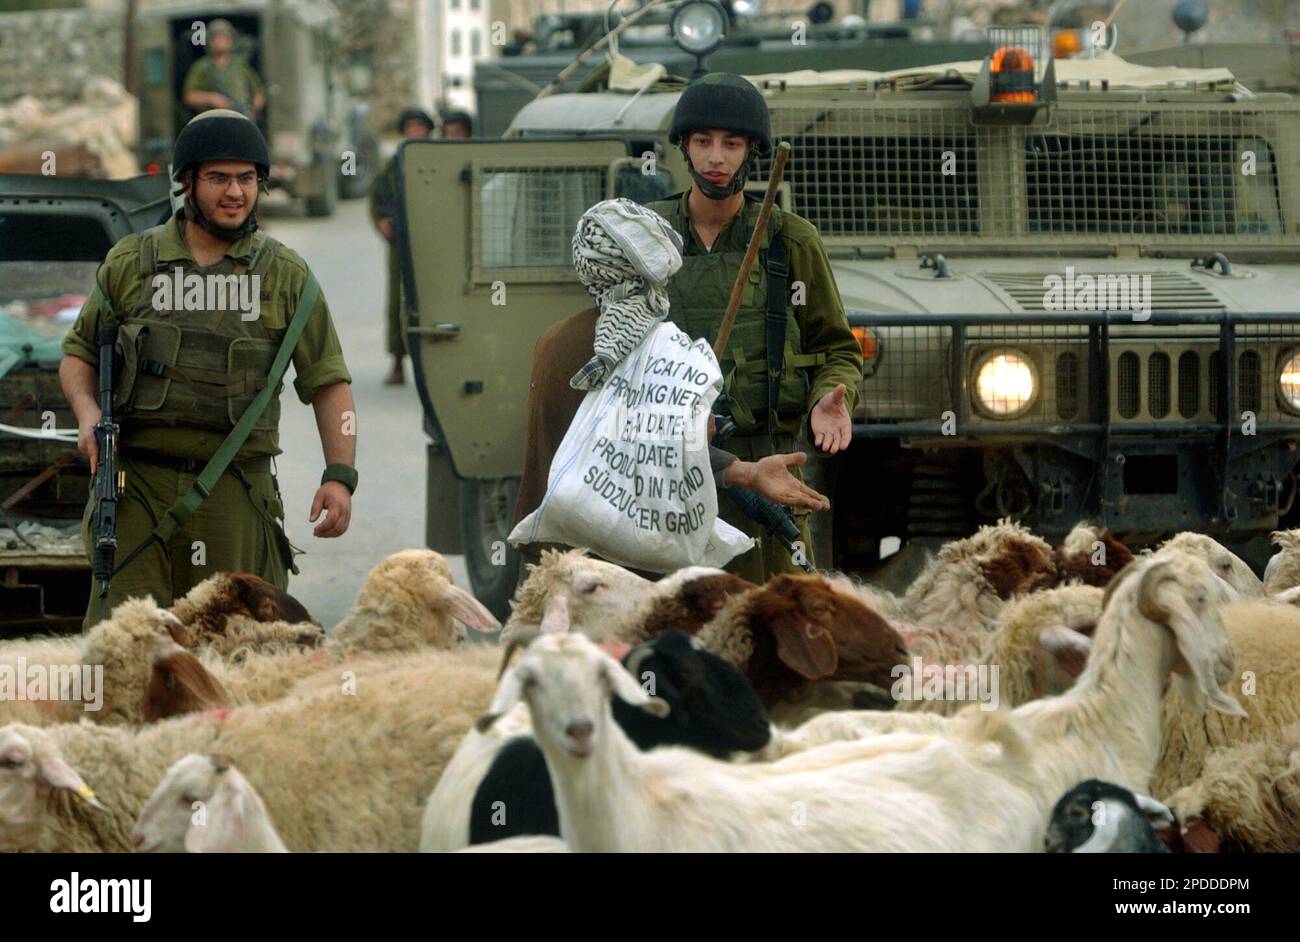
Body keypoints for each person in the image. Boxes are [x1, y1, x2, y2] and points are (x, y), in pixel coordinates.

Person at [59, 110, 356, 628]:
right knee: (125, 649)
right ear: (187, 183)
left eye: (247, 178)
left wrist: (340, 475)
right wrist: (87, 417)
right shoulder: (131, 263)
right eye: (218, 178)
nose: (235, 192)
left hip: (234, 492)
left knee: (240, 648)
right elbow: (80, 354)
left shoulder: (286, 277)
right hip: (136, 489)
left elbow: (327, 381)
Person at [513, 199, 830, 569]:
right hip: (616, 569)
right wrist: (746, 472)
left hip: (550, 553)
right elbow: (660, 449)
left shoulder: (553, 339)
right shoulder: (649, 348)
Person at [645, 72, 863, 583]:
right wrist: (673, 410)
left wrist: (832, 397)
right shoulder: (645, 238)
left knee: (781, 621)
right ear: (685, 148)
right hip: (665, 473)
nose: (716, 158)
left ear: (751, 152)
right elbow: (616, 360)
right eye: (702, 142)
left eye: (732, 143)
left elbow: (837, 347)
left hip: (771, 471)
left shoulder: (790, 242)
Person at [370, 107, 435, 385]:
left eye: (420, 126)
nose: (415, 132)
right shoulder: (394, 164)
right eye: (410, 127)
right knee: (397, 302)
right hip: (401, 240)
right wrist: (382, 222)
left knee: (434, 298)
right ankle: (398, 361)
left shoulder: (438, 160)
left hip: (434, 241)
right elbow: (377, 198)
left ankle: (434, 365)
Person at [182, 19, 266, 121]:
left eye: (223, 38)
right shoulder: (202, 67)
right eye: (215, 38)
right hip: (214, 120)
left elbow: (259, 92)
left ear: (231, 40)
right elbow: (189, 97)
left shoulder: (240, 66)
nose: (219, 42)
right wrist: (212, 98)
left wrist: (252, 109)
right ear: (209, 41)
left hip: (241, 118)